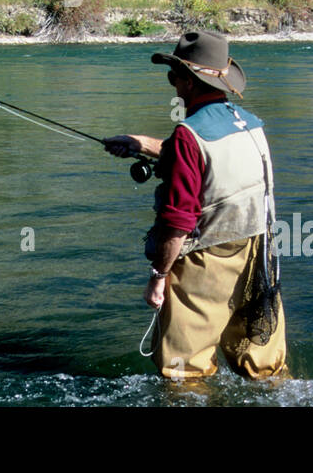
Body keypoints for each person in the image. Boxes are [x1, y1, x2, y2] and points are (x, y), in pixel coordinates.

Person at [104, 30, 287, 381]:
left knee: (183, 374)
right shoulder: (249, 124)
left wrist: (158, 278)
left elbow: (179, 220)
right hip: (260, 254)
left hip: (210, 259)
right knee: (265, 369)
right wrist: (140, 143)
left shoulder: (190, 135)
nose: (171, 83)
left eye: (173, 76)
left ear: (188, 81)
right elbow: (206, 160)